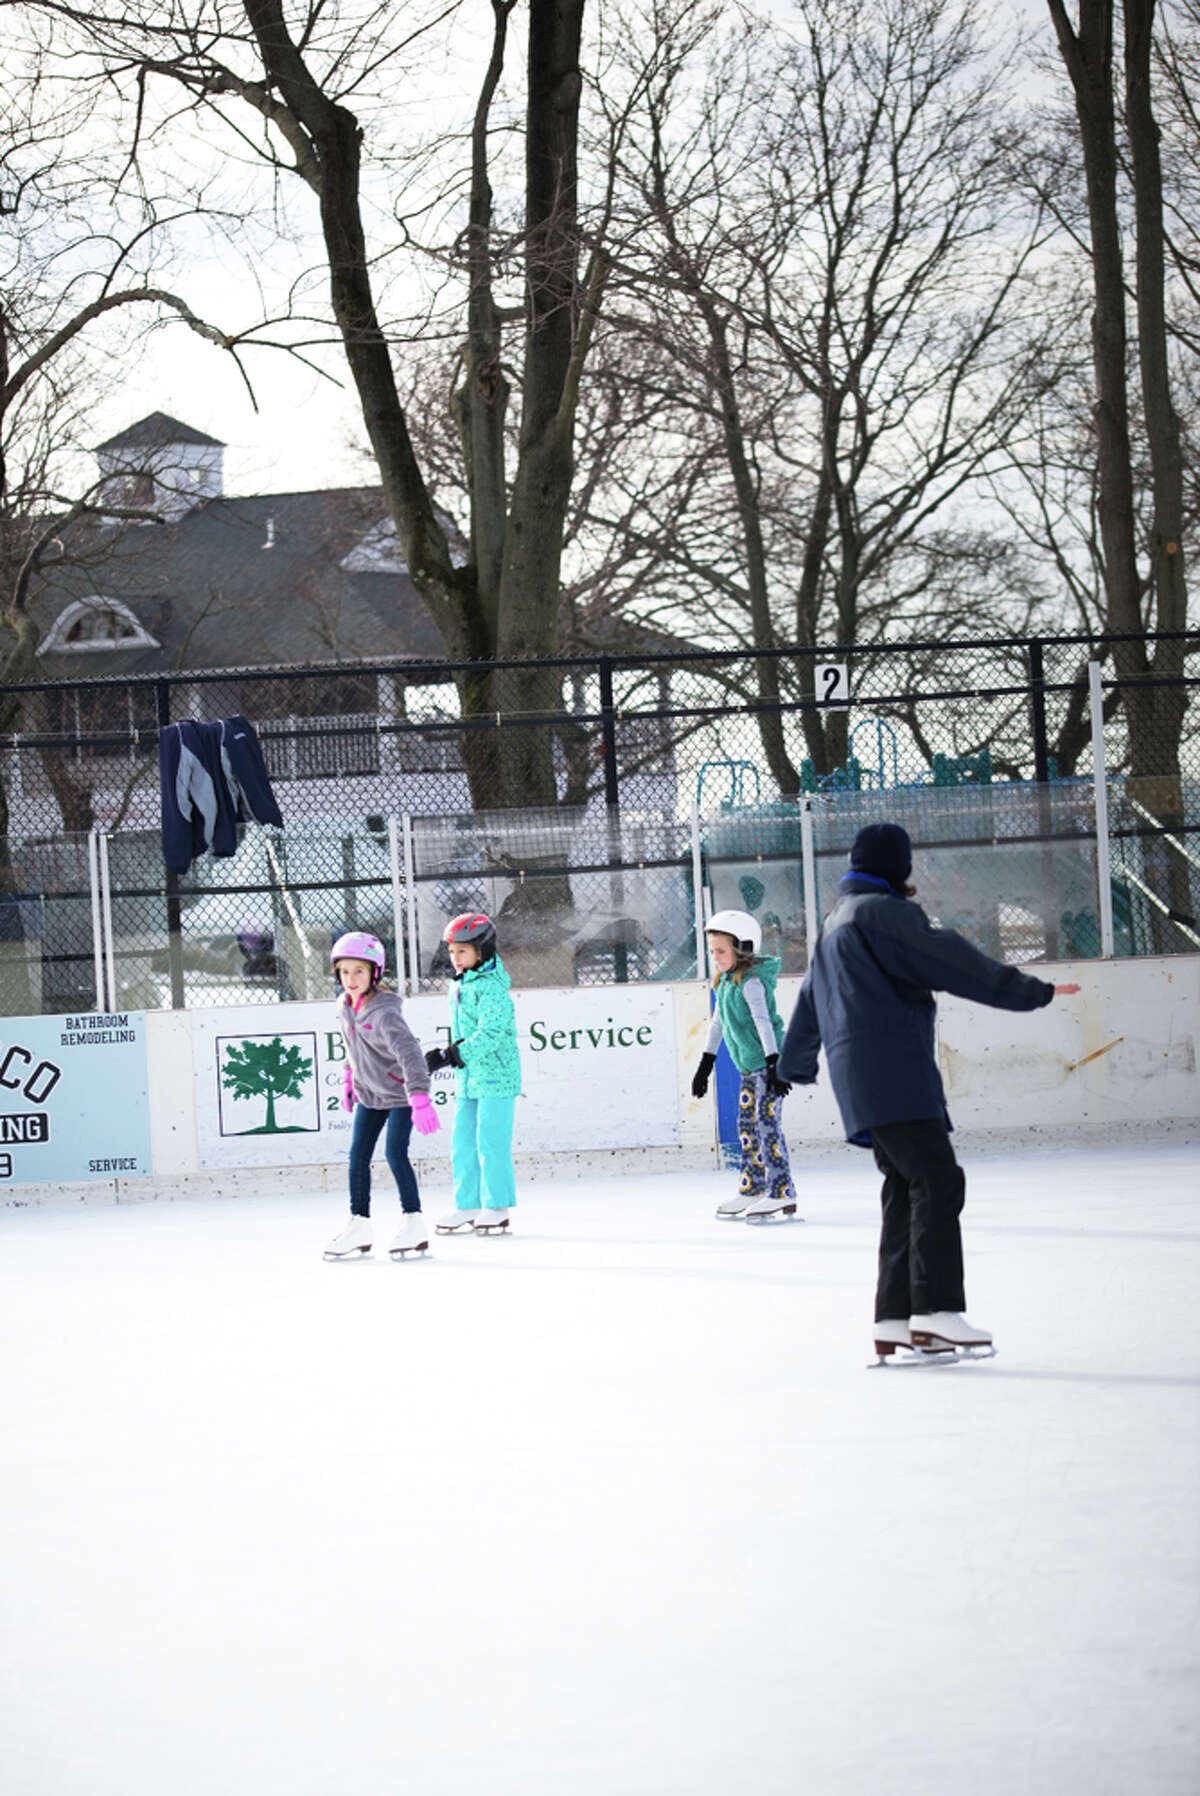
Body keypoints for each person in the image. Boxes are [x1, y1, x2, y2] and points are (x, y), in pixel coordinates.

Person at [778, 822, 1079, 1357]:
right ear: (900, 867)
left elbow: (808, 1000)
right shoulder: (883, 914)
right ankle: (938, 1311)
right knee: (938, 1180)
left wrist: (795, 1064)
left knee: (905, 1187)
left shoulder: (836, 921)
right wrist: (1033, 992)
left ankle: (893, 1319)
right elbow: (953, 961)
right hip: (893, 1068)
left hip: (861, 1077)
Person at [324, 931, 440, 1261]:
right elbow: (351, 1046)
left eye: (359, 971)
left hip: (401, 1094)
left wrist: (419, 1098)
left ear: (375, 972)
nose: (351, 979)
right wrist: (349, 1077)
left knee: (394, 1153)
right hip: (370, 1094)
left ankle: (414, 1223)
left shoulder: (386, 1013)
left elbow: (412, 1057)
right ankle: (359, 1224)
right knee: (357, 1156)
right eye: (344, 971)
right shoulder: (344, 1006)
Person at [691, 908, 799, 1223]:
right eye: (712, 951)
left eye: (721, 951)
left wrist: (774, 1063)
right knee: (747, 1127)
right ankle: (753, 1186)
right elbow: (717, 1024)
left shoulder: (751, 983)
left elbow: (764, 1023)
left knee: (767, 1127)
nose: (716, 956)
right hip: (749, 1068)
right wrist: (705, 1064)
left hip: (768, 1065)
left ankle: (782, 1190)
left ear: (743, 947)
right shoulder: (725, 982)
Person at [425, 911, 521, 1236]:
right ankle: (467, 1205)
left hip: (497, 1076)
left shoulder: (492, 989)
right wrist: (451, 1057)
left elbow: (491, 1032)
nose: (455, 959)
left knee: (490, 1143)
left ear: (483, 950)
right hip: (469, 1078)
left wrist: (452, 1054)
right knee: (462, 1142)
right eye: (452, 952)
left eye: (462, 951)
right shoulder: (461, 985)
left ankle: (497, 1207)